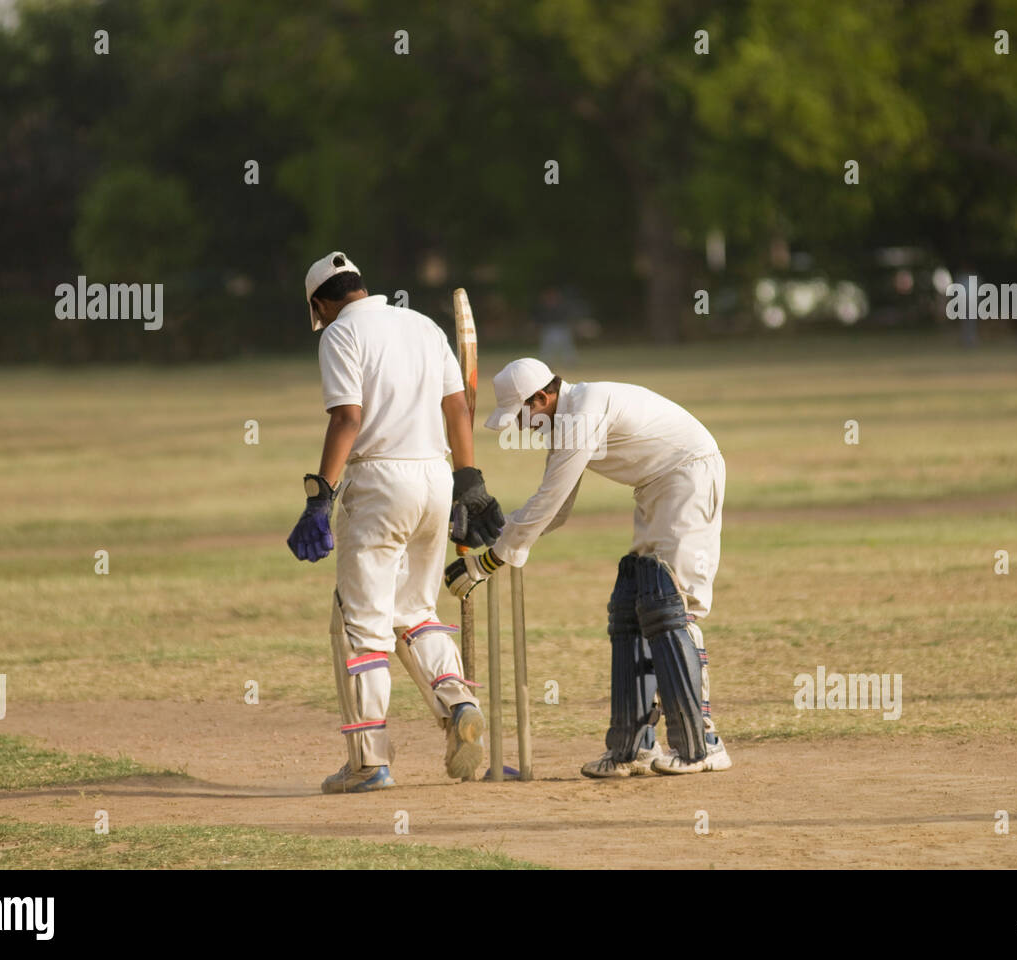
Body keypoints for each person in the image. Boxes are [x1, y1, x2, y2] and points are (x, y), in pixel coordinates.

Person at [444, 358, 730, 777]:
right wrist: (497, 538)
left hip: (688, 478)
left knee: (673, 605)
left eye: (523, 417)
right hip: (656, 486)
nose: (522, 428)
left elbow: (550, 498)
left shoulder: (584, 411)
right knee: (640, 606)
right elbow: (556, 511)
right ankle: (635, 747)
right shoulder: (567, 422)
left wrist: (490, 560)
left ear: (542, 398)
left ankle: (703, 744)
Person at [287, 251, 504, 793]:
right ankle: (459, 705)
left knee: (361, 626)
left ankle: (369, 762)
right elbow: (457, 409)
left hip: (380, 481)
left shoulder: (339, 335)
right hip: (435, 478)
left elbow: (348, 417)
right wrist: (468, 479)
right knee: (415, 611)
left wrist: (321, 496)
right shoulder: (423, 326)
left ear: (321, 303)